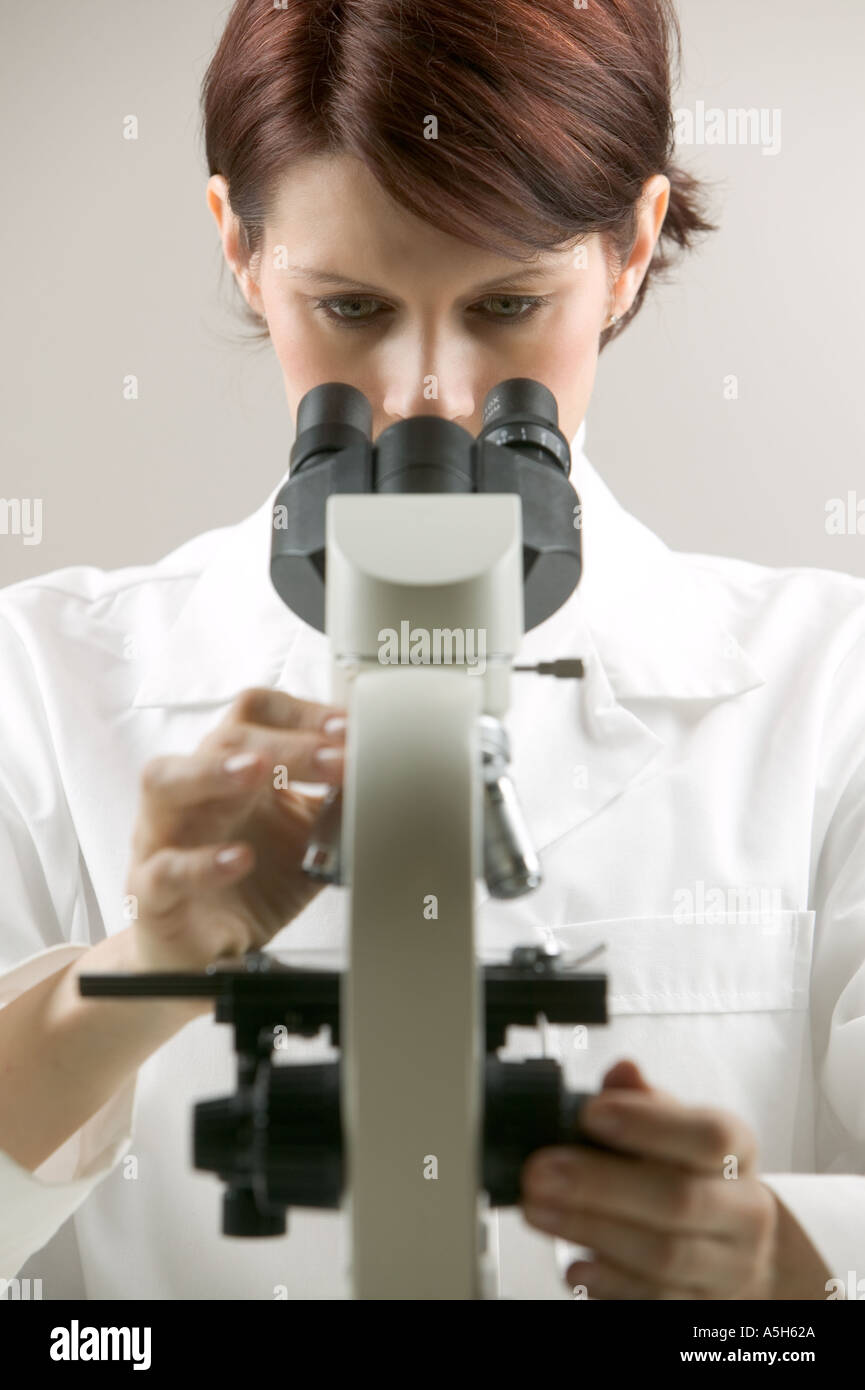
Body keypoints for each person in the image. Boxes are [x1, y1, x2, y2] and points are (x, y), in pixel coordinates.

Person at [1, 0, 863, 1301]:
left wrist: (787, 1269)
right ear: (238, 243)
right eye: (347, 305)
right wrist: (136, 972)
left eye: (508, 303)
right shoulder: (43, 679)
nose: (427, 398)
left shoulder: (830, 684)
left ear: (627, 248)